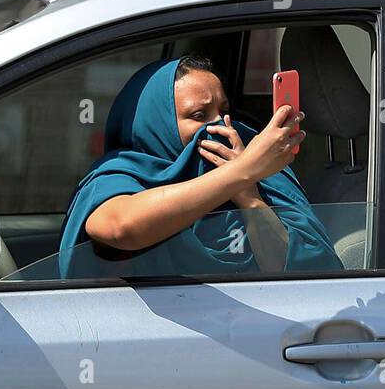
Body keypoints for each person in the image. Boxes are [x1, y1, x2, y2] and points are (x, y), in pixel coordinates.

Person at [59, 56, 342, 278]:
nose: (219, 125)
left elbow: (301, 277)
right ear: (157, 124)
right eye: (199, 115)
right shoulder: (117, 177)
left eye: (224, 112)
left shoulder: (261, 179)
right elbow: (122, 228)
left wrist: (249, 196)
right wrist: (243, 170)